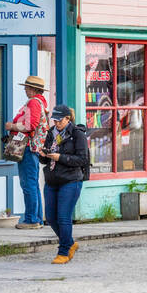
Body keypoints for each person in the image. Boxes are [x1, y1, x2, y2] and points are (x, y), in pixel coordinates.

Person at [40, 104, 88, 264]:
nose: (57, 123)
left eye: (60, 121)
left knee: (63, 217)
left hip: (71, 180)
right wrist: (43, 154)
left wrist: (60, 157)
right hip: (52, 180)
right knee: (51, 217)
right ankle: (70, 243)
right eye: (55, 120)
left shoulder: (77, 134)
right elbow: (45, 159)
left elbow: (82, 159)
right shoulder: (50, 133)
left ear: (68, 119)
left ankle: (63, 252)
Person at [6, 75, 49, 229]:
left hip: (28, 148)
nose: (24, 89)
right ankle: (37, 218)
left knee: (28, 184)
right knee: (33, 184)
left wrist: (12, 126)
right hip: (34, 148)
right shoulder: (41, 102)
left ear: (32, 89)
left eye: (26, 87)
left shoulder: (33, 102)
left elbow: (30, 125)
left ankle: (31, 220)